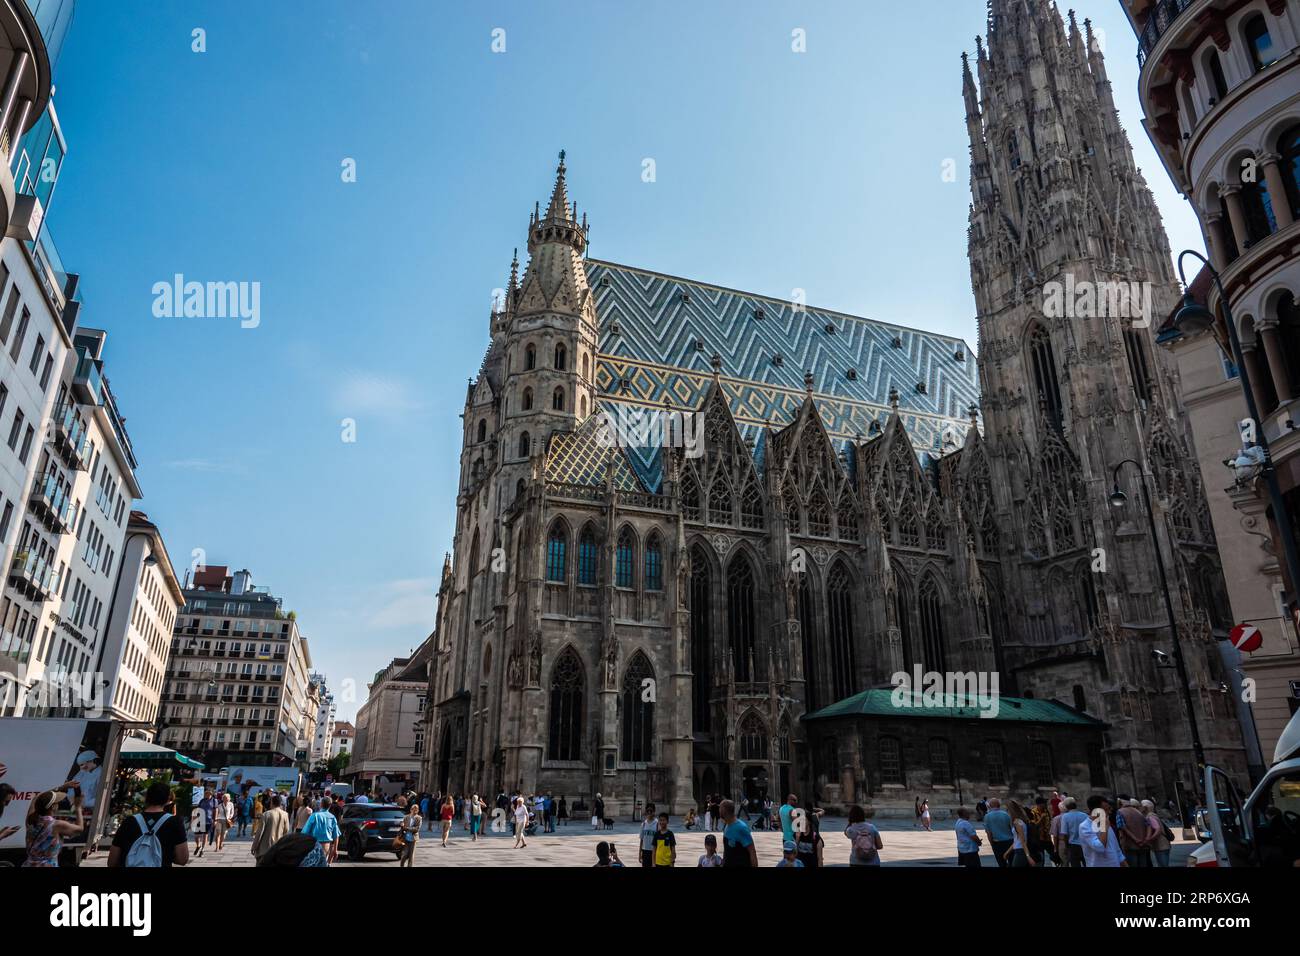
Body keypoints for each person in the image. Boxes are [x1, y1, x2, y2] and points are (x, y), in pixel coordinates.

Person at [109, 782, 188, 868]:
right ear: (167, 800)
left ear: (147, 798)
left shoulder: (129, 821)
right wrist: (166, 856)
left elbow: (112, 861)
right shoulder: (175, 822)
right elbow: (182, 859)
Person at [23, 789, 82, 867]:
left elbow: (36, 798)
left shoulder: (30, 820)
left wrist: (63, 787)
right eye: (57, 802)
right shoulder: (56, 825)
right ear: (53, 807)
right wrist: (78, 807)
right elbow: (80, 829)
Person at [1079, 795, 1125, 868]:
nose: (1109, 812)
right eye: (1106, 810)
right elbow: (1099, 847)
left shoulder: (1106, 823)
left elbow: (1117, 850)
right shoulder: (1085, 827)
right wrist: (1104, 827)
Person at [252, 793, 291, 862]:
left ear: (272, 802)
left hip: (265, 849)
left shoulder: (266, 814)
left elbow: (259, 832)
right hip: (278, 848)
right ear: (280, 803)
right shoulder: (285, 814)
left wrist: (254, 846)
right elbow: (286, 831)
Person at [301, 796, 341, 864]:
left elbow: (305, 832)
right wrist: (335, 850)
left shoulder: (314, 816)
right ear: (330, 806)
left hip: (314, 845)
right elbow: (336, 835)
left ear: (321, 804)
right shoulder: (332, 817)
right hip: (326, 846)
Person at [1117, 798, 1154, 867]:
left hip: (1130, 846)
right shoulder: (1139, 812)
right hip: (1144, 844)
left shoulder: (1120, 812)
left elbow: (1122, 828)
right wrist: (1147, 838)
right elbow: (1148, 825)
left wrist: (1136, 839)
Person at [720, 799, 757, 867]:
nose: (719, 812)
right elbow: (727, 850)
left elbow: (752, 851)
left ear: (725, 811)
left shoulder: (741, 828)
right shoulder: (727, 825)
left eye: (720, 809)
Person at [983, 797, 1014, 868]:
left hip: (997, 843)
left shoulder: (987, 817)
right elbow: (1012, 829)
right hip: (1009, 842)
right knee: (1012, 862)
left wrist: (992, 844)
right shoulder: (1006, 814)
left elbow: (989, 833)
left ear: (990, 806)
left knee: (1001, 863)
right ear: (999, 805)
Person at [1058, 797, 1089, 867]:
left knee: (1075, 864)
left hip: (1073, 846)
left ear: (1066, 807)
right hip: (1085, 844)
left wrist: (1066, 846)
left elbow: (1064, 834)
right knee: (1087, 864)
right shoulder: (1085, 815)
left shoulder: (1065, 817)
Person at [1005, 800, 1036, 868]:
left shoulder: (1017, 822)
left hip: (1021, 851)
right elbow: (1017, 840)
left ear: (1011, 810)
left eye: (1007, 809)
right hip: (1019, 850)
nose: (1007, 812)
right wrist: (1007, 852)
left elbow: (1023, 841)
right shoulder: (1020, 821)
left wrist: (1028, 857)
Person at [1143, 799, 1173, 868]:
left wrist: (1150, 839)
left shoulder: (1150, 817)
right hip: (1164, 845)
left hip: (1161, 846)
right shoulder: (1154, 815)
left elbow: (1158, 829)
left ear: (1146, 808)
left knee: (1163, 865)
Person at [399, 801, 421, 867]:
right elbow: (403, 827)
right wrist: (402, 825)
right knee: (404, 855)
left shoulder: (419, 818)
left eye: (416, 810)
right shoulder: (406, 817)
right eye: (413, 809)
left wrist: (407, 828)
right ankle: (401, 865)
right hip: (406, 838)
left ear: (417, 811)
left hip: (413, 839)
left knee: (411, 856)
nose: (414, 811)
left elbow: (417, 828)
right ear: (410, 809)